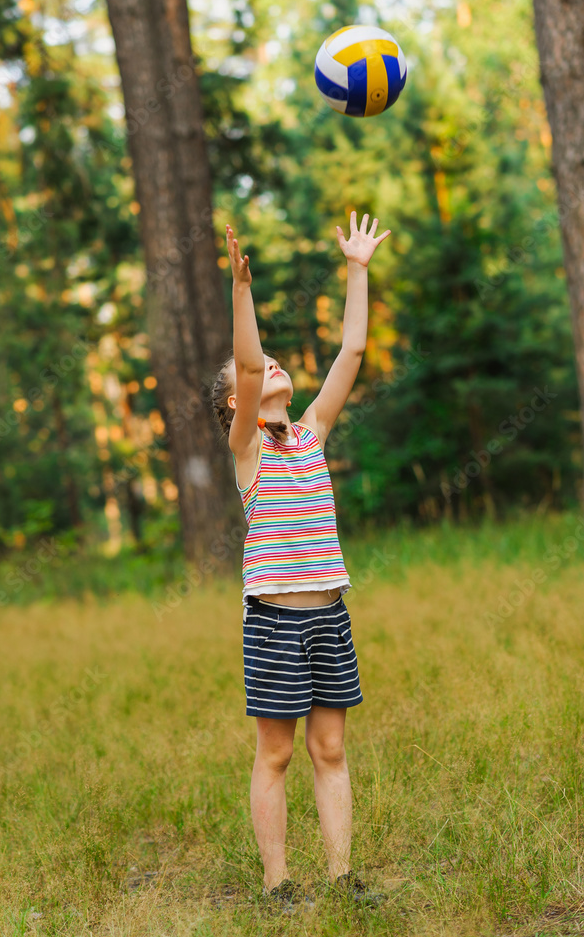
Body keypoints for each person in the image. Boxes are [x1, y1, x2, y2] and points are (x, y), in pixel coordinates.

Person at [210, 211, 392, 914]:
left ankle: (343, 879)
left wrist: (356, 268)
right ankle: (277, 885)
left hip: (329, 615)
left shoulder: (310, 434)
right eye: (258, 374)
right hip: (274, 624)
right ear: (239, 402)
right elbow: (251, 362)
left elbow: (350, 352)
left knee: (330, 751)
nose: (274, 366)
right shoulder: (246, 452)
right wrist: (240, 290)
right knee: (276, 755)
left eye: (279, 363)